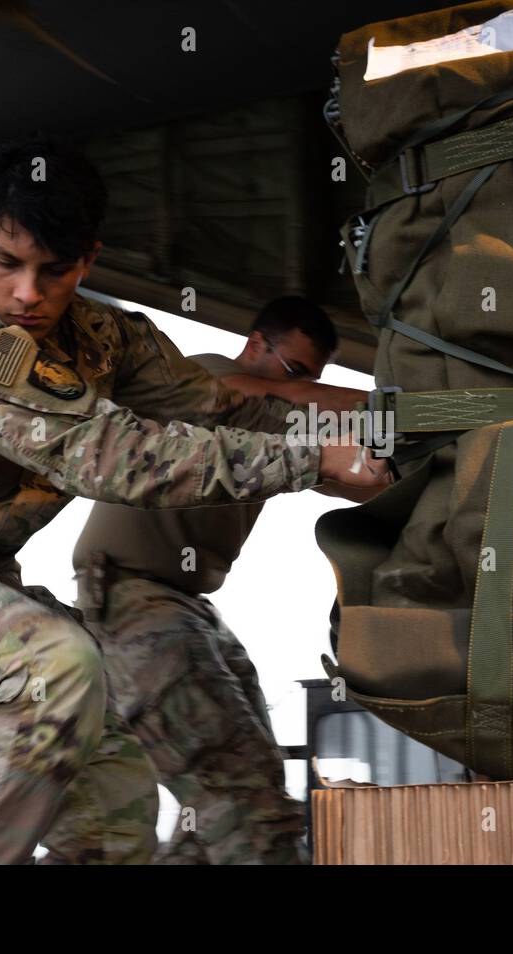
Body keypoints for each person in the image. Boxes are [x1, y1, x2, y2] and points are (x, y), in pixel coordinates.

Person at [0, 135, 390, 864]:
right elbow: (113, 456)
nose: (28, 294)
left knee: (106, 746)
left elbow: (218, 410)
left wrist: (369, 442)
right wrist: (313, 456)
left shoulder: (106, 340)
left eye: (54, 270)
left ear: (87, 260)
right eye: (7, 263)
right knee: (56, 669)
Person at [70, 297, 373, 864]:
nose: (305, 385)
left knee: (224, 808)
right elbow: (291, 403)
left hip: (179, 605)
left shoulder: (268, 426)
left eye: (313, 376)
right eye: (296, 368)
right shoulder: (205, 380)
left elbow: (344, 471)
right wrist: (393, 407)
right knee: (244, 798)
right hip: (131, 598)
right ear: (256, 344)